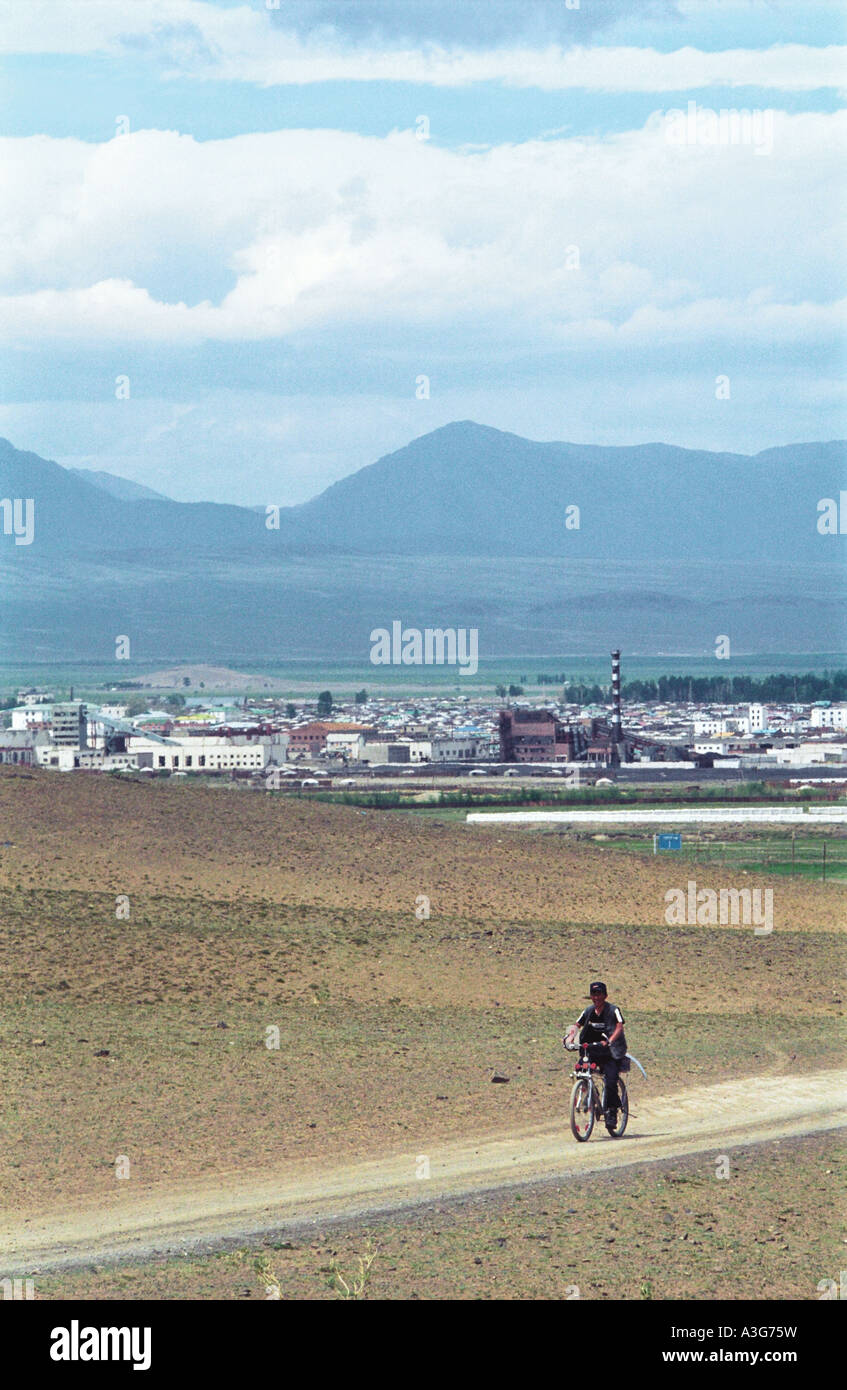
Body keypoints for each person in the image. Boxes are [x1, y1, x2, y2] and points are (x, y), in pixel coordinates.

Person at [564, 981, 627, 1125]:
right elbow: (576, 1025)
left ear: (605, 995)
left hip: (611, 1053)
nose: (596, 997)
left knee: (611, 1080)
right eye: (593, 994)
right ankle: (591, 1093)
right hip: (592, 1050)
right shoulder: (588, 1011)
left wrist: (609, 1041)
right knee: (580, 1070)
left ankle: (611, 1111)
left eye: (599, 994)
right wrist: (570, 1036)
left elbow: (619, 1027)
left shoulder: (613, 1010)